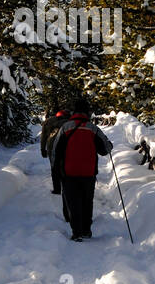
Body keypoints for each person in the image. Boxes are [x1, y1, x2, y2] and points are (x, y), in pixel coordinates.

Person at [51, 96, 113, 241]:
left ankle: (76, 232)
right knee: (87, 201)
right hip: (88, 172)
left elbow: (56, 150)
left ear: (74, 111)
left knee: (73, 202)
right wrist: (109, 144)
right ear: (87, 112)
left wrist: (56, 169)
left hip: (69, 172)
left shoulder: (65, 127)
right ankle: (86, 229)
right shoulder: (93, 128)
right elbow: (105, 149)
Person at [40, 103, 70, 195]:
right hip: (66, 147)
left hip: (51, 147)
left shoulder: (48, 121)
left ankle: (57, 189)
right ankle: (67, 187)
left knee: (54, 168)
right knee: (65, 167)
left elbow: (43, 137)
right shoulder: (69, 122)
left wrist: (43, 150)